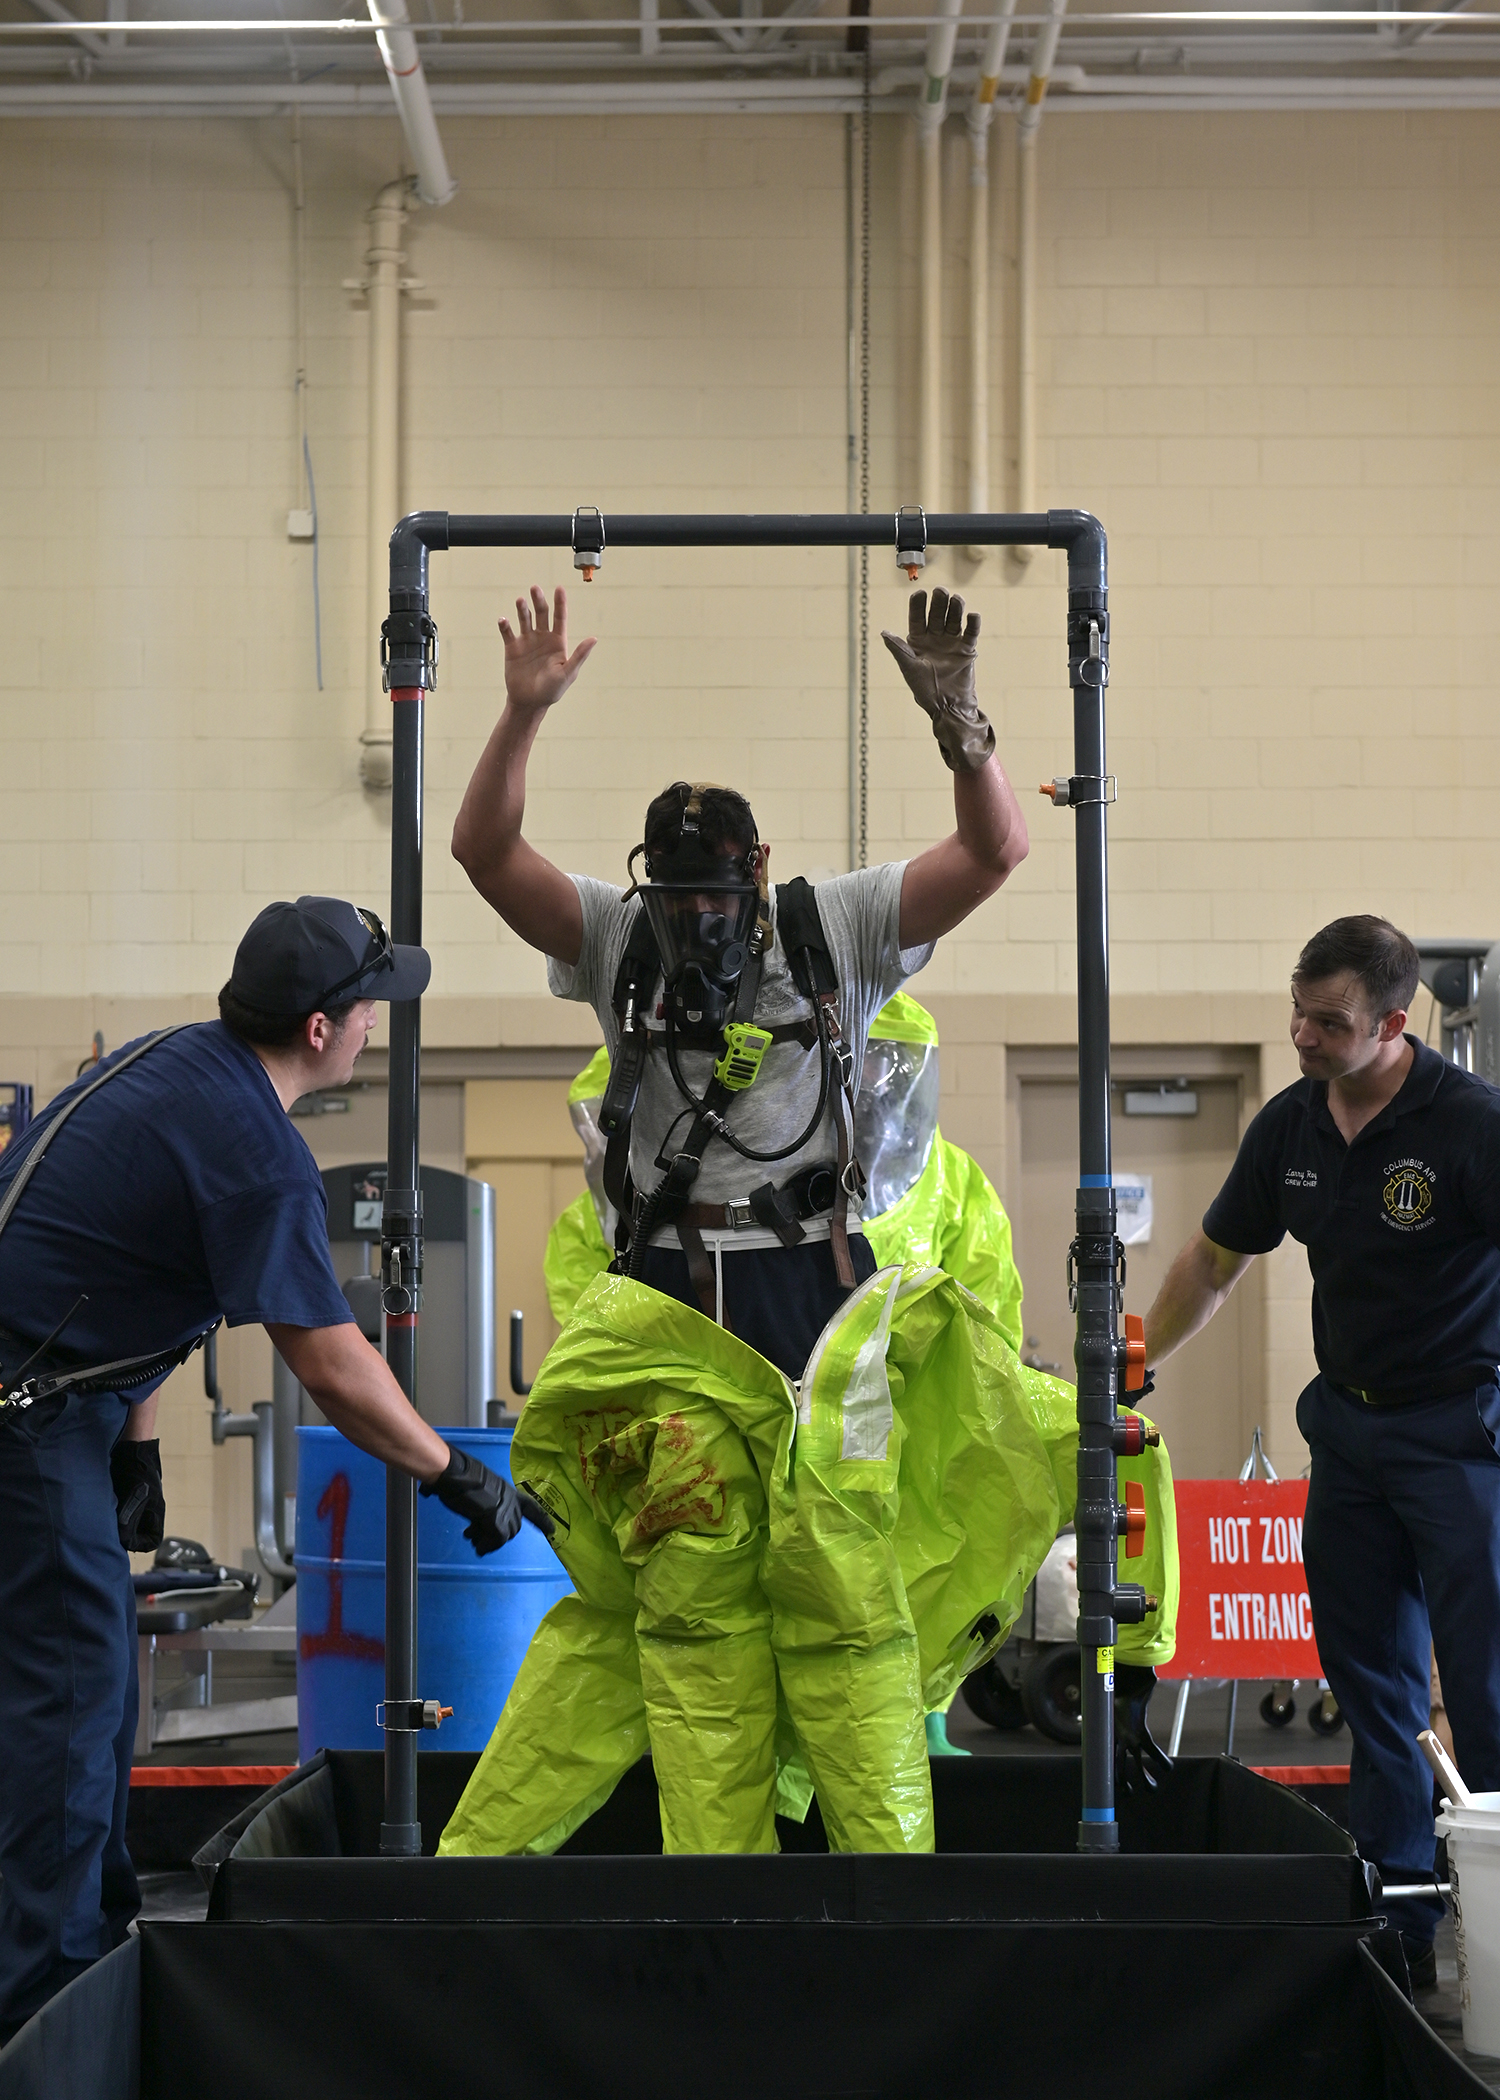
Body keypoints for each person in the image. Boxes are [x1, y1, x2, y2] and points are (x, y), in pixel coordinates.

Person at [0, 896, 526, 2040]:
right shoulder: (255, 1150)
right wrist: (454, 1473)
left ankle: (90, 1947)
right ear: (327, 1026)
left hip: (56, 1407)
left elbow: (140, 1281)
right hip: (27, 1423)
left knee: (88, 1697)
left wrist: (138, 1455)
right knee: (72, 1699)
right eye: (374, 1009)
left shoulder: (179, 1065)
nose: (381, 1026)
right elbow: (335, 1364)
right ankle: (40, 2008)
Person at [451, 581, 1029, 1376]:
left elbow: (993, 852)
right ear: (645, 880)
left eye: (715, 895)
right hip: (666, 1274)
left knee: (828, 1493)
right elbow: (484, 853)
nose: (696, 916)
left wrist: (962, 727)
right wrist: (523, 713)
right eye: (675, 896)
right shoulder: (620, 931)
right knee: (675, 1498)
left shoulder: (834, 925)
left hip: (808, 1271)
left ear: (758, 868)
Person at [1141, 914, 1500, 1988]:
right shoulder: (1291, 1129)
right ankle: (1397, 1927)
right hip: (1349, 1435)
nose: (1302, 1034)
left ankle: (1496, 1925)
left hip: (1461, 1436)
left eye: (1329, 1021)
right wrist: (1129, 1365)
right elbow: (1212, 1263)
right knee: (1373, 1688)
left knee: (1485, 1695)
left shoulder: (1472, 1126)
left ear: (1396, 1024)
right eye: (1296, 1012)